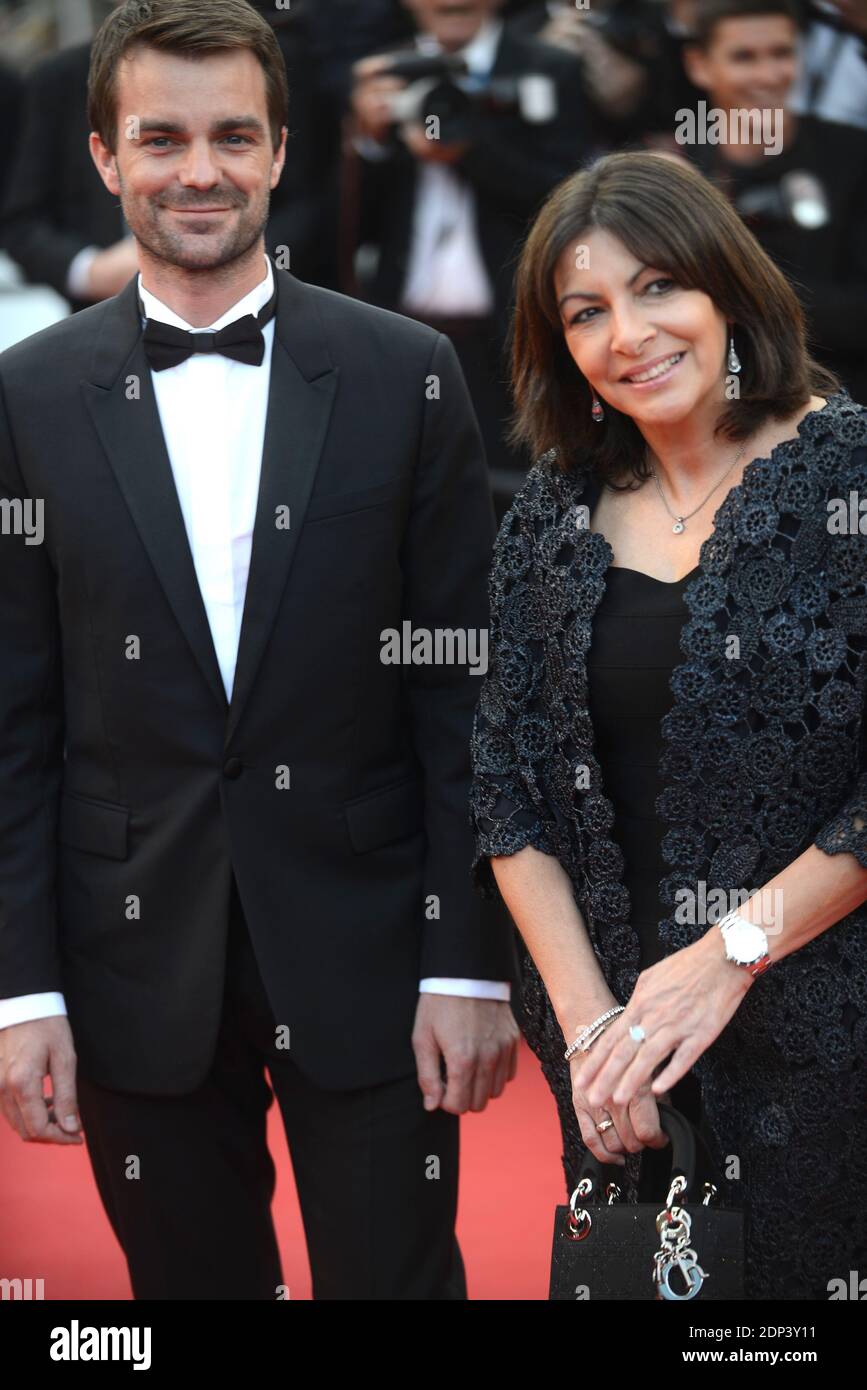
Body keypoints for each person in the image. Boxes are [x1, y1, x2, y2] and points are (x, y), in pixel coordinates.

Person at [0, 0, 519, 1301]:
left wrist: (465, 958)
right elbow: (14, 719)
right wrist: (19, 994)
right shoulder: (25, 393)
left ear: (282, 150)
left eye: (234, 135)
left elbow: (462, 688)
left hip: (370, 941)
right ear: (105, 155)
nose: (200, 171)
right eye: (162, 137)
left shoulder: (404, 372)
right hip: (127, 950)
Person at [469, 149, 867, 1299]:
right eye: (585, 311)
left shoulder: (846, 473)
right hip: (624, 1072)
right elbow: (508, 784)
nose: (627, 332)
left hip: (828, 1038)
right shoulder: (552, 508)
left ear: (726, 292)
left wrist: (729, 955)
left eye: (657, 289)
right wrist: (595, 1029)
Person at [346, 0, 602, 517]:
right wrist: (367, 141)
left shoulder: (549, 69)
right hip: (400, 338)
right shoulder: (382, 74)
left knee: (522, 516)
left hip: (514, 347)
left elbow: (574, 204)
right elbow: (344, 225)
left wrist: (467, 149)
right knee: (403, 510)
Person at [679, 0, 867, 403]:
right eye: (744, 57)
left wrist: (738, 292)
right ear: (699, 64)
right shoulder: (680, 172)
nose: (767, 75)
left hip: (841, 406)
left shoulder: (853, 158)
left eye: (782, 53)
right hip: (716, 411)